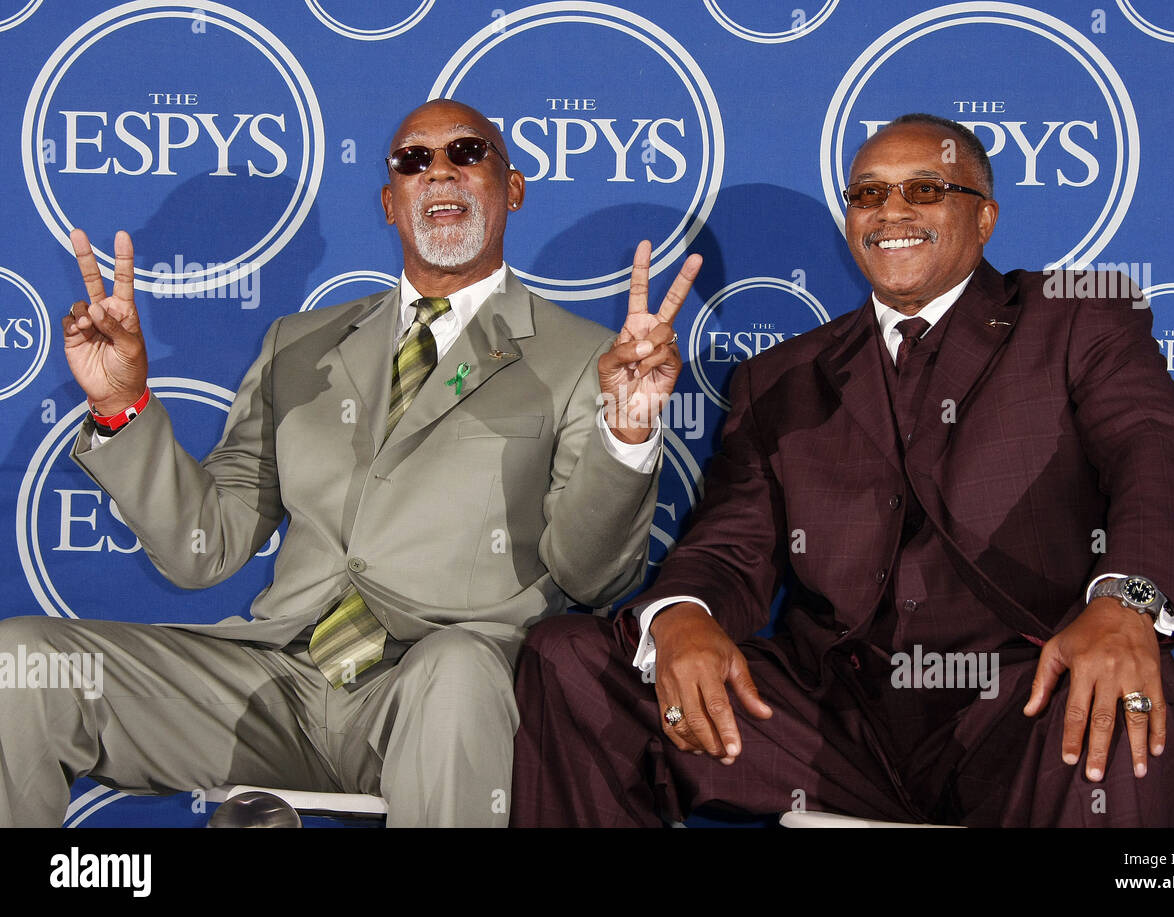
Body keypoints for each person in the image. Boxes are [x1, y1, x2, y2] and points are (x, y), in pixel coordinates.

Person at [0, 99, 700, 827]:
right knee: (20, 664)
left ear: (513, 187)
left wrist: (628, 429)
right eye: (413, 161)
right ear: (389, 204)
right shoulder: (297, 343)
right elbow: (203, 549)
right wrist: (123, 406)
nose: (439, 173)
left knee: (455, 672)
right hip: (276, 679)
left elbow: (596, 576)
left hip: (438, 692)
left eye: (467, 153)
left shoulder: (587, 358)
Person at [509, 113, 1174, 827]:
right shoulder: (779, 377)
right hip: (831, 727)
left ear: (985, 217)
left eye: (925, 189)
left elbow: (1156, 455)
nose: (892, 211)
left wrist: (1125, 602)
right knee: (571, 660)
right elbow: (731, 547)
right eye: (868, 195)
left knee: (1119, 694)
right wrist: (685, 614)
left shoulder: (1075, 319)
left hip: (1025, 700)